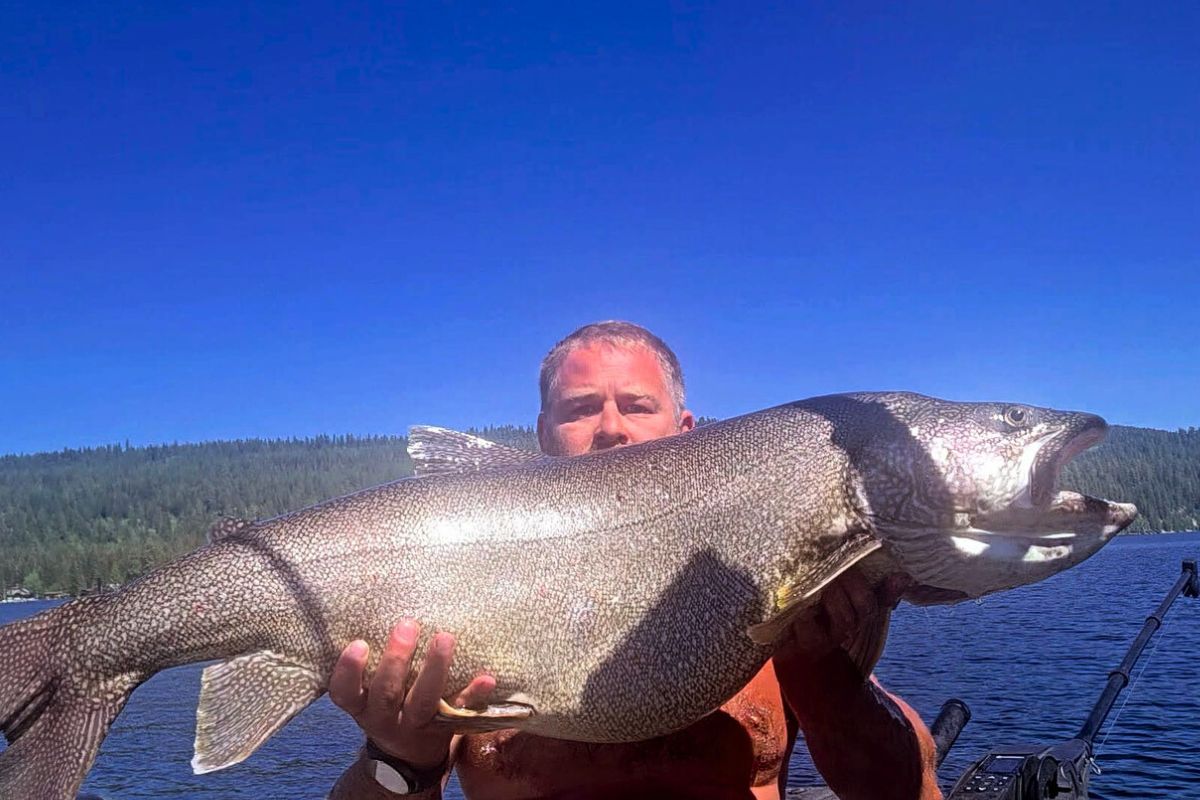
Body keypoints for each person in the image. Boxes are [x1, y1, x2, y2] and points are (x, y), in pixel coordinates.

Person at [328, 321, 941, 800]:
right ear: (542, 436)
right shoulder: (464, 604)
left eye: (638, 406)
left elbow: (901, 792)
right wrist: (399, 757)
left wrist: (824, 674)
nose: (611, 429)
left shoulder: (766, 581)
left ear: (688, 432)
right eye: (580, 408)